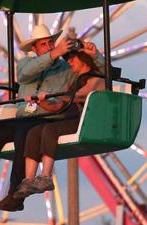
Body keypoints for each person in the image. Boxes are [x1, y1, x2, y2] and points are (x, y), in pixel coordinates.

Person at [0, 25, 89, 220]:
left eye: (50, 43)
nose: (48, 47)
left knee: (25, 135)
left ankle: (16, 194)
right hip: (20, 117)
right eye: (43, 44)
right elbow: (24, 75)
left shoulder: (65, 69)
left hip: (45, 117)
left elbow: (90, 69)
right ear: (34, 49)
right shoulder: (25, 65)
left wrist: (90, 52)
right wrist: (54, 54)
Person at [11, 48, 106, 201]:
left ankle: (46, 177)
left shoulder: (95, 79)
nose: (68, 62)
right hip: (69, 118)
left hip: (86, 122)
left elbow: (80, 95)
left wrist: (57, 95)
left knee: (49, 130)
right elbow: (58, 106)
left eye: (72, 59)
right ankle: (28, 180)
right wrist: (42, 101)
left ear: (83, 59)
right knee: (34, 132)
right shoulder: (73, 82)